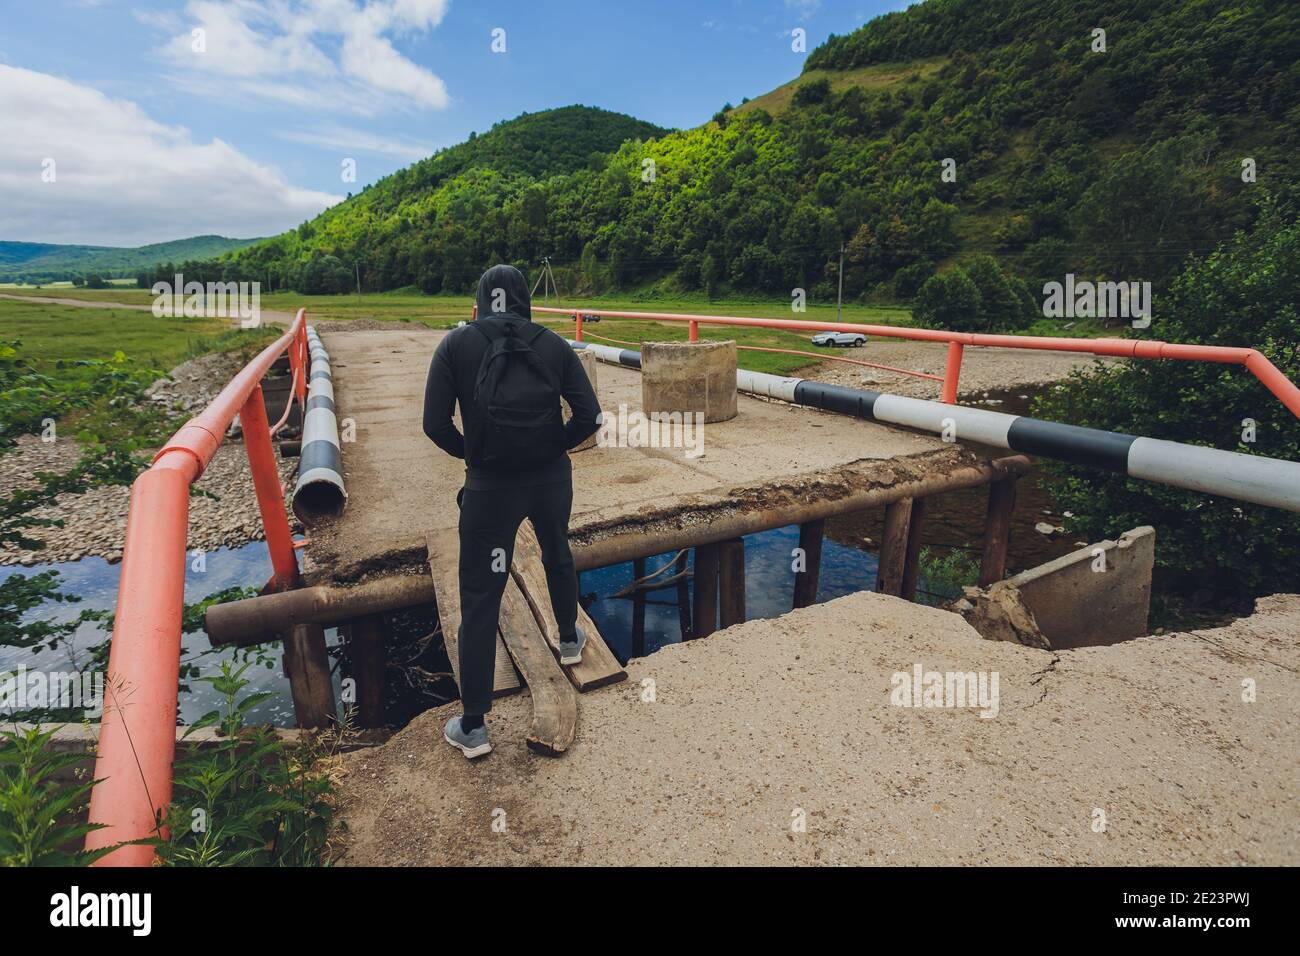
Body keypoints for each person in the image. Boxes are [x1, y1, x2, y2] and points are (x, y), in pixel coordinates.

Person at [422, 264, 600, 758]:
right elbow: (589, 416)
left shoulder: (455, 346)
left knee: (481, 596)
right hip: (549, 480)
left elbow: (434, 424)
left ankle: (474, 725)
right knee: (556, 551)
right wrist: (550, 449)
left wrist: (475, 455)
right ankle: (568, 639)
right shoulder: (554, 345)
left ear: (477, 305)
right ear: (527, 304)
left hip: (488, 490)